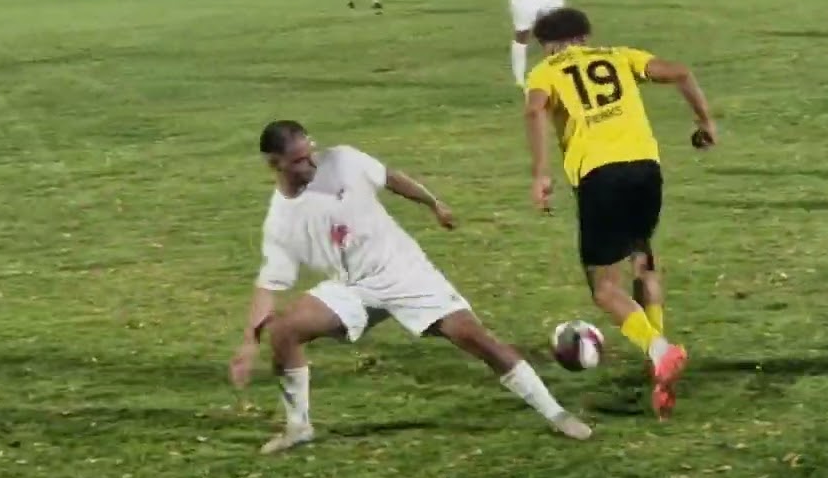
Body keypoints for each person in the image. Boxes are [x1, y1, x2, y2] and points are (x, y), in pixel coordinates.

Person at [229, 120, 591, 453]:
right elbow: (268, 282)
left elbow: (390, 178)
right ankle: (298, 426)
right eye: (298, 162)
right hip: (354, 286)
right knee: (283, 332)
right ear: (274, 164)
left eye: (310, 153)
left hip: (405, 273)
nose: (310, 165)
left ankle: (556, 414)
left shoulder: (343, 160)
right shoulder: (281, 219)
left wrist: (433, 203)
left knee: (477, 339)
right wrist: (249, 342)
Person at [522, 7, 716, 419]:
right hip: (646, 169)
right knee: (642, 261)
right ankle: (656, 356)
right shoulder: (620, 56)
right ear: (585, 35)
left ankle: (659, 350)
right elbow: (680, 72)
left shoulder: (545, 72)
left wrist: (540, 173)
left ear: (546, 44)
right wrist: (705, 122)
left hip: (599, 177)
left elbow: (535, 109)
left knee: (604, 288)